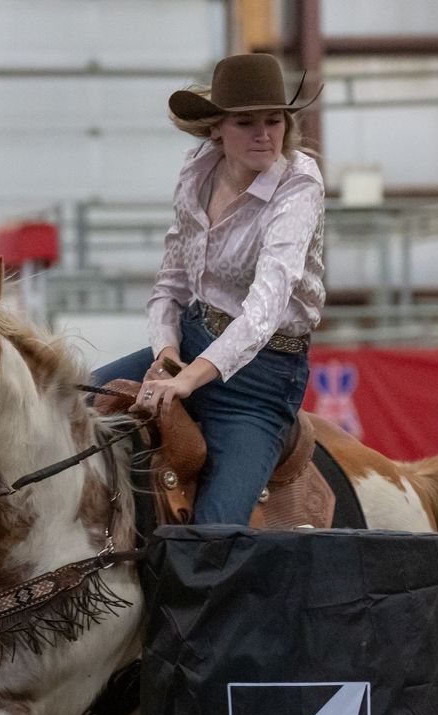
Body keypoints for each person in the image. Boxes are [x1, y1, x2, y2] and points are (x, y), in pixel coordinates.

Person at [92, 53, 325, 525]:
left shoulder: (299, 186)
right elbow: (171, 283)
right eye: (246, 122)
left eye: (274, 120)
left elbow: (266, 307)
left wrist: (187, 379)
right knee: (68, 405)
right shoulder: (198, 170)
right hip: (192, 341)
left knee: (214, 532)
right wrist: (166, 353)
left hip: (262, 379)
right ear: (216, 128)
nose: (264, 134)